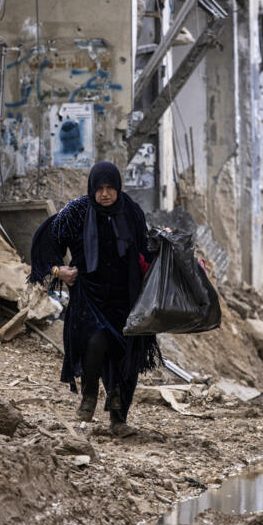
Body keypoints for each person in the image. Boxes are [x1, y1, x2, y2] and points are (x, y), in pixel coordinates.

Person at [28, 161, 160, 436]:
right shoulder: (77, 210)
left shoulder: (131, 211)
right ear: (92, 189)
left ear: (118, 188)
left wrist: (165, 252)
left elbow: (145, 249)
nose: (105, 194)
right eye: (99, 188)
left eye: (110, 188)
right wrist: (57, 270)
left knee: (127, 354)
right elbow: (46, 238)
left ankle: (119, 417)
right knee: (95, 341)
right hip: (89, 293)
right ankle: (89, 395)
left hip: (127, 297)